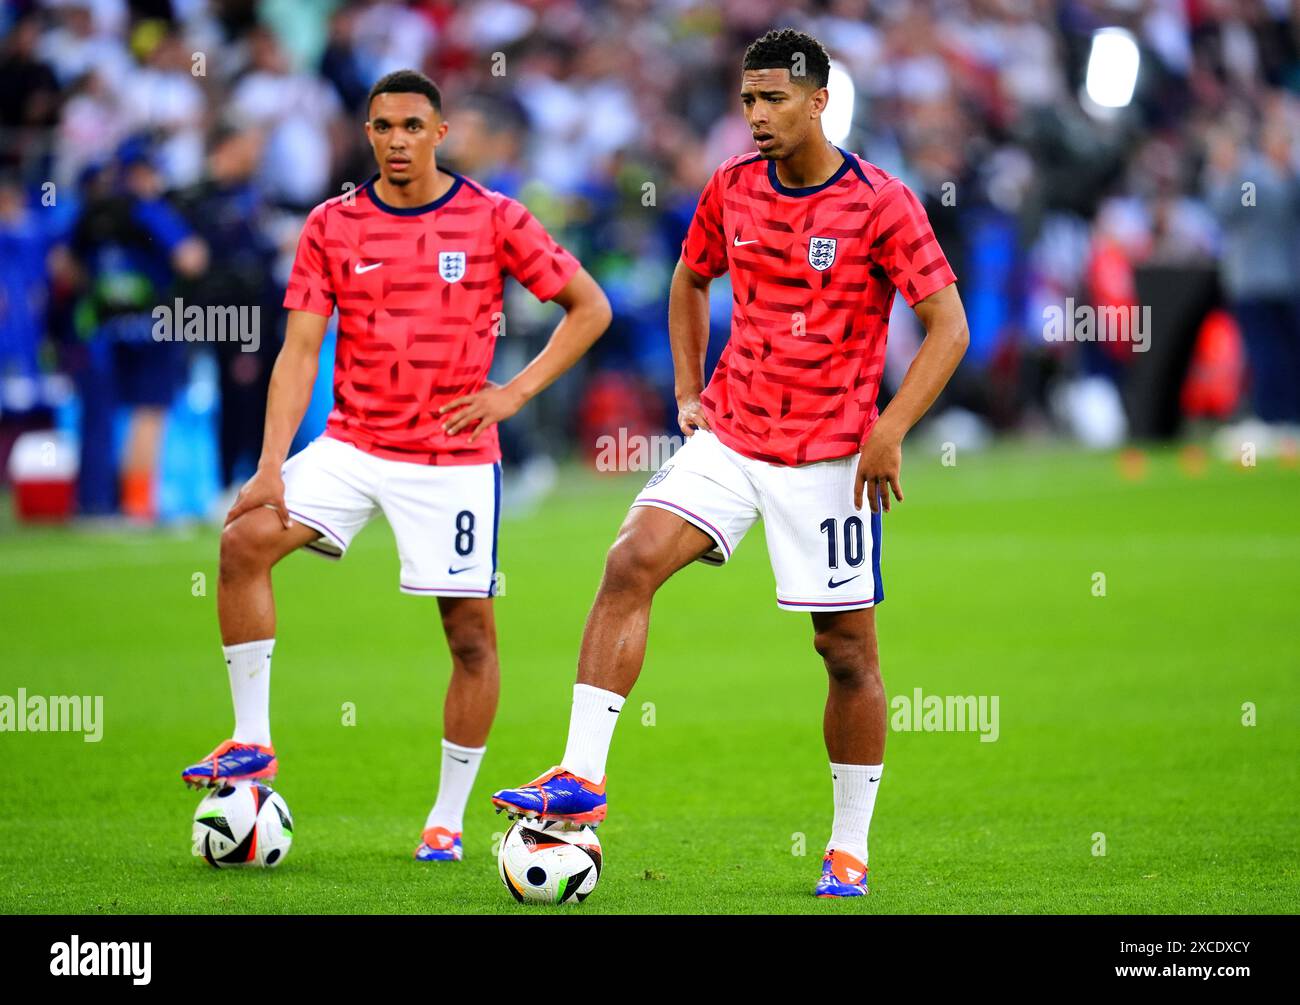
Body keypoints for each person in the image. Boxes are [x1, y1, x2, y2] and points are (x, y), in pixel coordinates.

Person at [491, 29, 968, 897]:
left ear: (819, 101)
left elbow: (949, 324)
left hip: (831, 460)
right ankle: (581, 777)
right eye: (747, 100)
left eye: (773, 99)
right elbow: (688, 278)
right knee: (629, 558)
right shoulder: (731, 188)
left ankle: (849, 844)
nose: (756, 115)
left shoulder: (882, 202)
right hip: (734, 436)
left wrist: (891, 427)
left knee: (846, 652)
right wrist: (686, 389)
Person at [179, 70, 612, 866]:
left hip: (450, 458)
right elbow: (300, 348)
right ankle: (251, 742)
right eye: (383, 126)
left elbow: (591, 305)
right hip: (350, 445)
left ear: (439, 133)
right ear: (366, 134)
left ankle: (446, 817)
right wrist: (271, 463)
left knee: (470, 636)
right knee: (242, 542)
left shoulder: (492, 216)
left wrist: (513, 393)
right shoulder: (330, 225)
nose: (398, 139)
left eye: (414, 125)